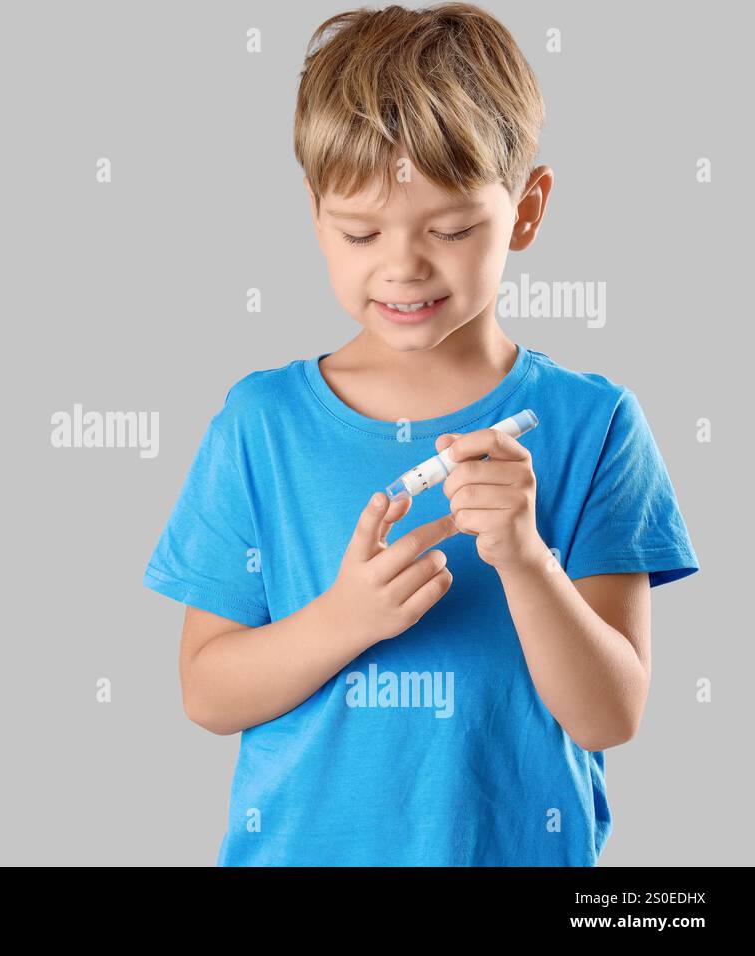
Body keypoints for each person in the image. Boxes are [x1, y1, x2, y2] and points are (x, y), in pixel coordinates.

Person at [141, 2, 700, 866]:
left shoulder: (597, 428)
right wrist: (344, 619)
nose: (402, 265)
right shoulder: (261, 425)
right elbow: (206, 693)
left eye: (450, 230)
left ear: (526, 209)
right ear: (314, 213)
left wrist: (526, 559)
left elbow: (610, 715)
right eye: (360, 232)